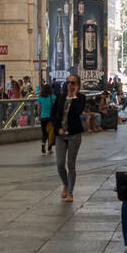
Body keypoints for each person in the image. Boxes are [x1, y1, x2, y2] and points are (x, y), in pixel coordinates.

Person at [50, 73, 86, 202]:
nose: (70, 85)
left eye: (73, 83)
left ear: (77, 85)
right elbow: (53, 115)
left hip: (74, 135)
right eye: (68, 82)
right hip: (60, 135)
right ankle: (65, 184)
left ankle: (70, 191)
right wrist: (57, 128)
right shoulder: (60, 97)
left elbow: (78, 111)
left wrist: (74, 95)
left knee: (71, 164)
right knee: (60, 163)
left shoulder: (81, 98)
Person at [38, 81, 55, 154]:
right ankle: (49, 148)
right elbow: (55, 107)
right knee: (50, 133)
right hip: (50, 118)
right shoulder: (53, 97)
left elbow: (39, 109)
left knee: (44, 132)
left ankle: (43, 145)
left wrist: (39, 116)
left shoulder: (40, 98)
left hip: (43, 117)